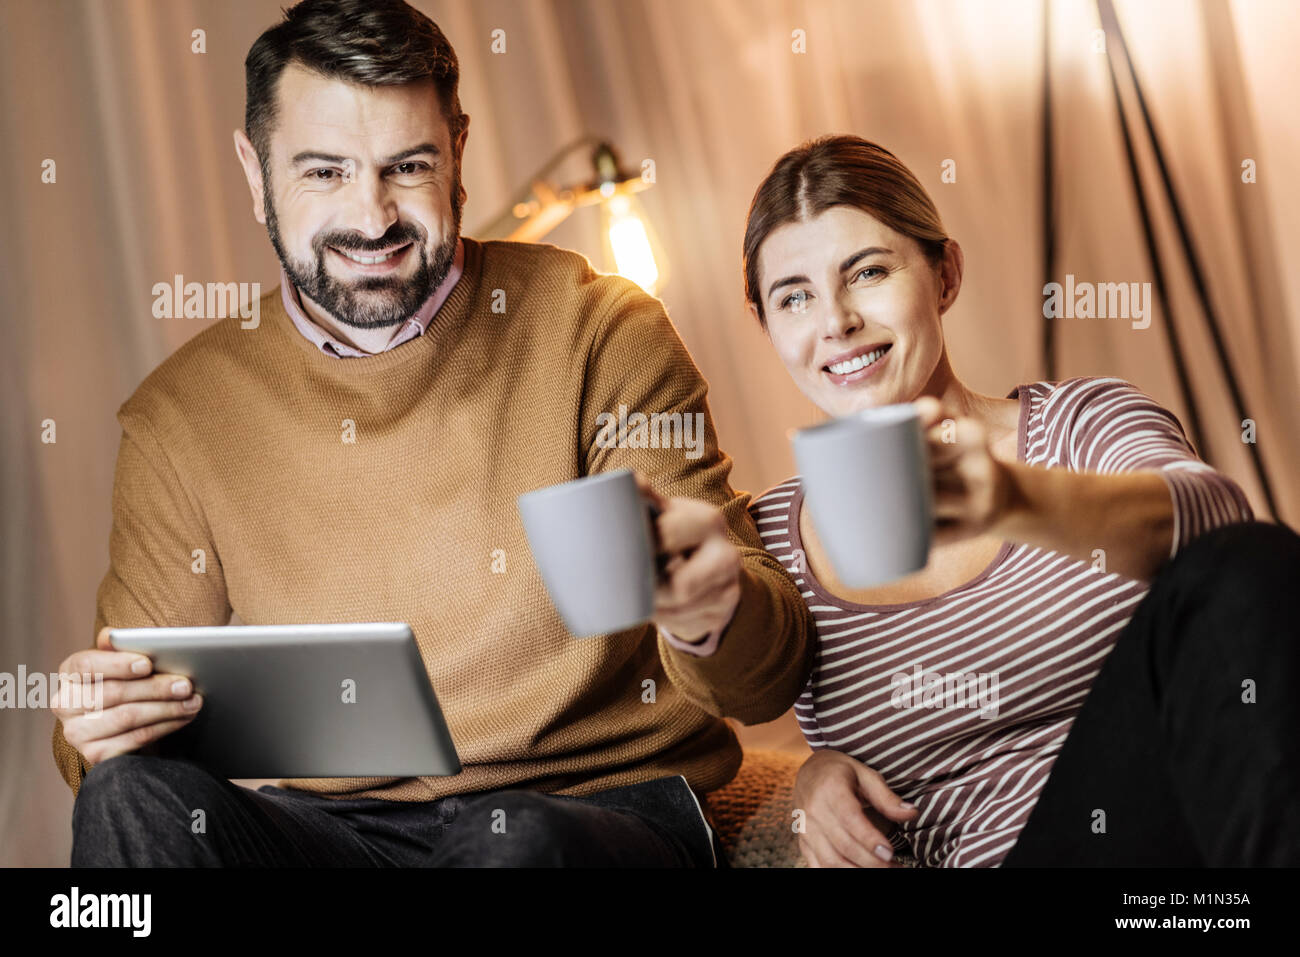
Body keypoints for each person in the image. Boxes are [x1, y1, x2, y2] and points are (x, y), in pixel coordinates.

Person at [49, 0, 816, 868]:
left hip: (589, 812)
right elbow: (101, 754)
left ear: (459, 154)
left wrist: (710, 612)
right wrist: (99, 728)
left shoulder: (602, 331)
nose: (372, 218)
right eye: (325, 172)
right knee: (130, 798)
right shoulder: (180, 414)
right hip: (341, 836)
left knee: (516, 843)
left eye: (406, 166)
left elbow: (762, 680)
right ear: (254, 171)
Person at [736, 133, 1299, 867]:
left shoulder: (1084, 424)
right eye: (795, 296)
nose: (835, 320)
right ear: (768, 325)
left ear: (946, 275)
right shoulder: (771, 541)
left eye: (868, 271)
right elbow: (723, 705)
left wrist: (1009, 496)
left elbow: (1226, 535)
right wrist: (809, 776)